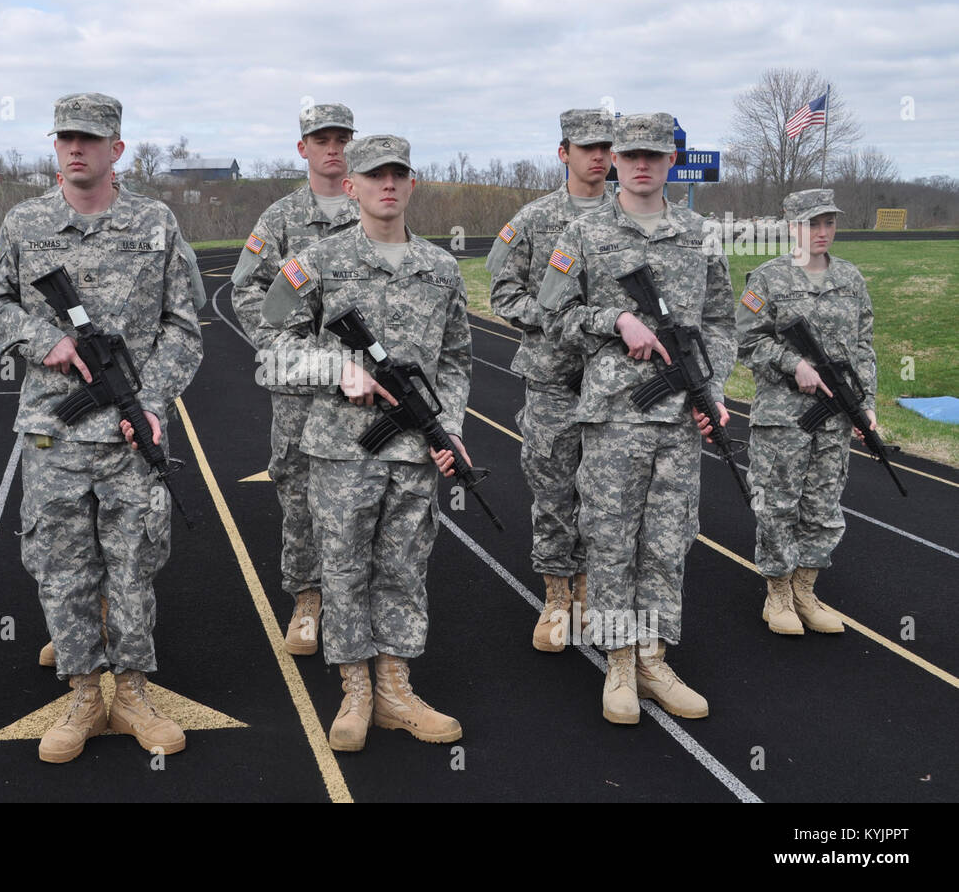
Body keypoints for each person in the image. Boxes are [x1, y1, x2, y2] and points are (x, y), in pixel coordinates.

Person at [0, 93, 202, 764]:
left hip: (134, 434)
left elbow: (184, 326)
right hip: (54, 432)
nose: (76, 149)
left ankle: (130, 690)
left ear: (117, 150)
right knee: (65, 569)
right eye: (65, 138)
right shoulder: (23, 223)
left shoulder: (156, 223)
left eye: (90, 139)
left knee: (132, 567)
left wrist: (152, 398)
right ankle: (81, 693)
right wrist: (42, 339)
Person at [259, 134, 472, 752]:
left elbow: (456, 360)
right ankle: (356, 691)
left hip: (413, 449)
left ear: (411, 184)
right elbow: (272, 350)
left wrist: (449, 426)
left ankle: (397, 689)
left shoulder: (442, 269)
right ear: (350, 187)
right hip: (339, 449)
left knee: (403, 567)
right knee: (345, 565)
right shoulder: (317, 263)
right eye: (374, 174)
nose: (387, 184)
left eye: (397, 174)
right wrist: (336, 368)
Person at [538, 112, 736, 725]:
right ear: (616, 161)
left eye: (656, 154)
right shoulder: (582, 232)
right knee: (612, 537)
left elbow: (724, 321)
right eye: (632, 155)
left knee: (667, 539)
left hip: (680, 416)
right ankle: (619, 661)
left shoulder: (701, 233)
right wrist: (614, 321)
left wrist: (714, 387)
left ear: (672, 161)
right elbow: (553, 317)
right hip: (614, 415)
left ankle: (653, 656)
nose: (643, 164)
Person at [232, 103, 360, 656]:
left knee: (362, 490)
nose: (332, 148)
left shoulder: (376, 208)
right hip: (301, 388)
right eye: (320, 139)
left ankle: (355, 598)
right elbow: (246, 292)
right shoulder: (281, 219)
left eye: (341, 139)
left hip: (364, 386)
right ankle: (308, 599)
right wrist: (288, 350)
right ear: (302, 148)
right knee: (299, 487)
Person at [487, 108, 614, 651]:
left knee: (609, 495)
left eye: (606, 147)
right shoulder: (535, 219)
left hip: (615, 386)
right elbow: (502, 294)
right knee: (554, 490)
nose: (599, 157)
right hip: (552, 383)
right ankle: (558, 594)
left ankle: (593, 589)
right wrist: (557, 317)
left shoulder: (631, 218)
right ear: (563, 153)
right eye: (586, 148)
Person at [736, 189, 874, 635]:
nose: (822, 232)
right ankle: (777, 593)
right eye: (812, 223)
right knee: (779, 504)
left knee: (823, 505)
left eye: (828, 222)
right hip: (783, 417)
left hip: (835, 417)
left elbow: (864, 348)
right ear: (792, 226)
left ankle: (805, 589)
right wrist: (793, 364)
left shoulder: (851, 279)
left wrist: (865, 407)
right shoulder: (768, 279)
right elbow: (747, 340)